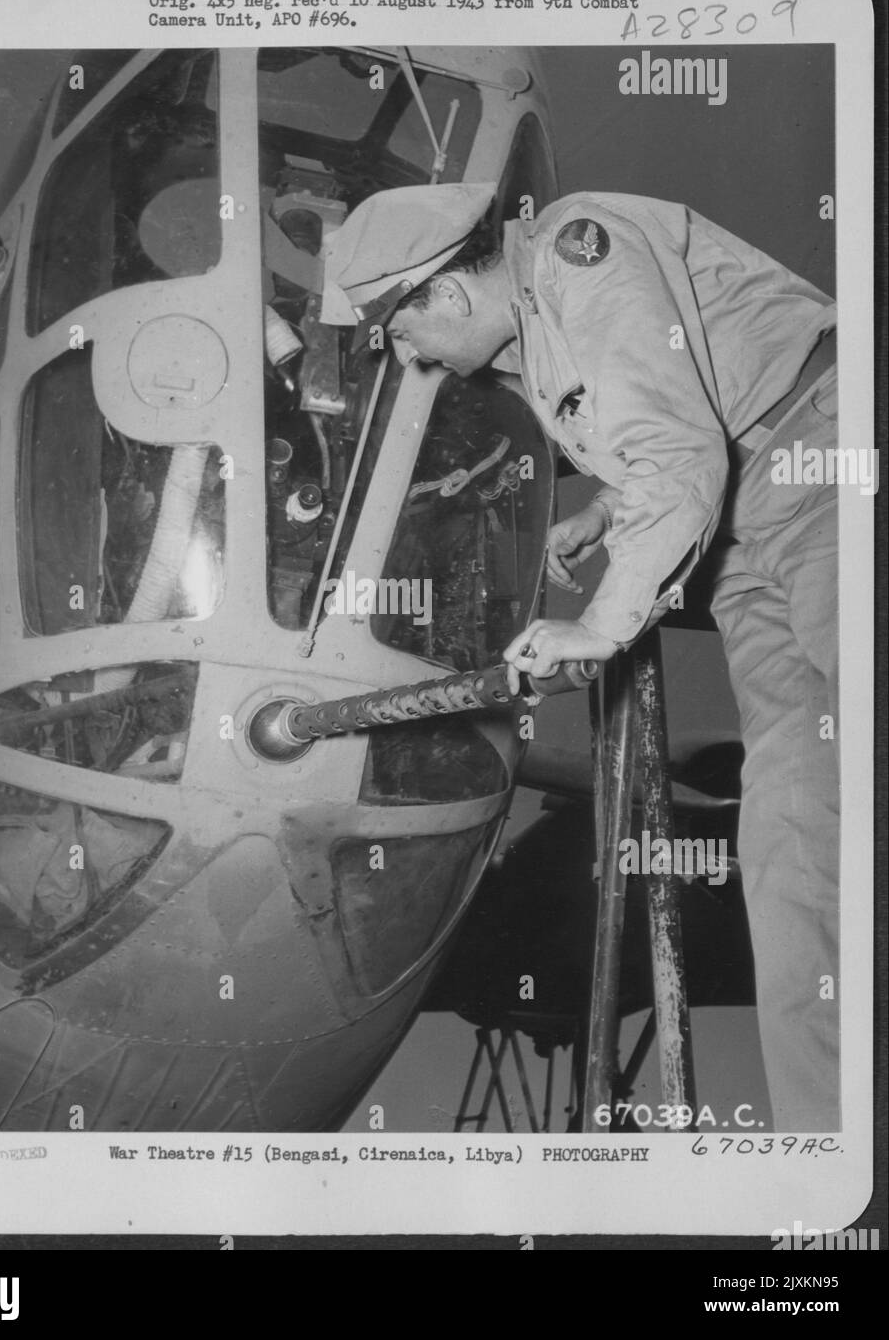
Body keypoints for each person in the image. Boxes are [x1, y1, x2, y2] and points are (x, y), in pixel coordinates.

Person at [322, 182, 839, 1130]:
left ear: (439, 292)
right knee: (795, 854)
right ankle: (839, 1152)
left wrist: (599, 628)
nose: (408, 356)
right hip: (744, 541)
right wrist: (605, 509)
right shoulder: (534, 332)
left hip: (828, 460)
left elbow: (678, 451)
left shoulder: (573, 252)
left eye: (397, 331)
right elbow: (666, 427)